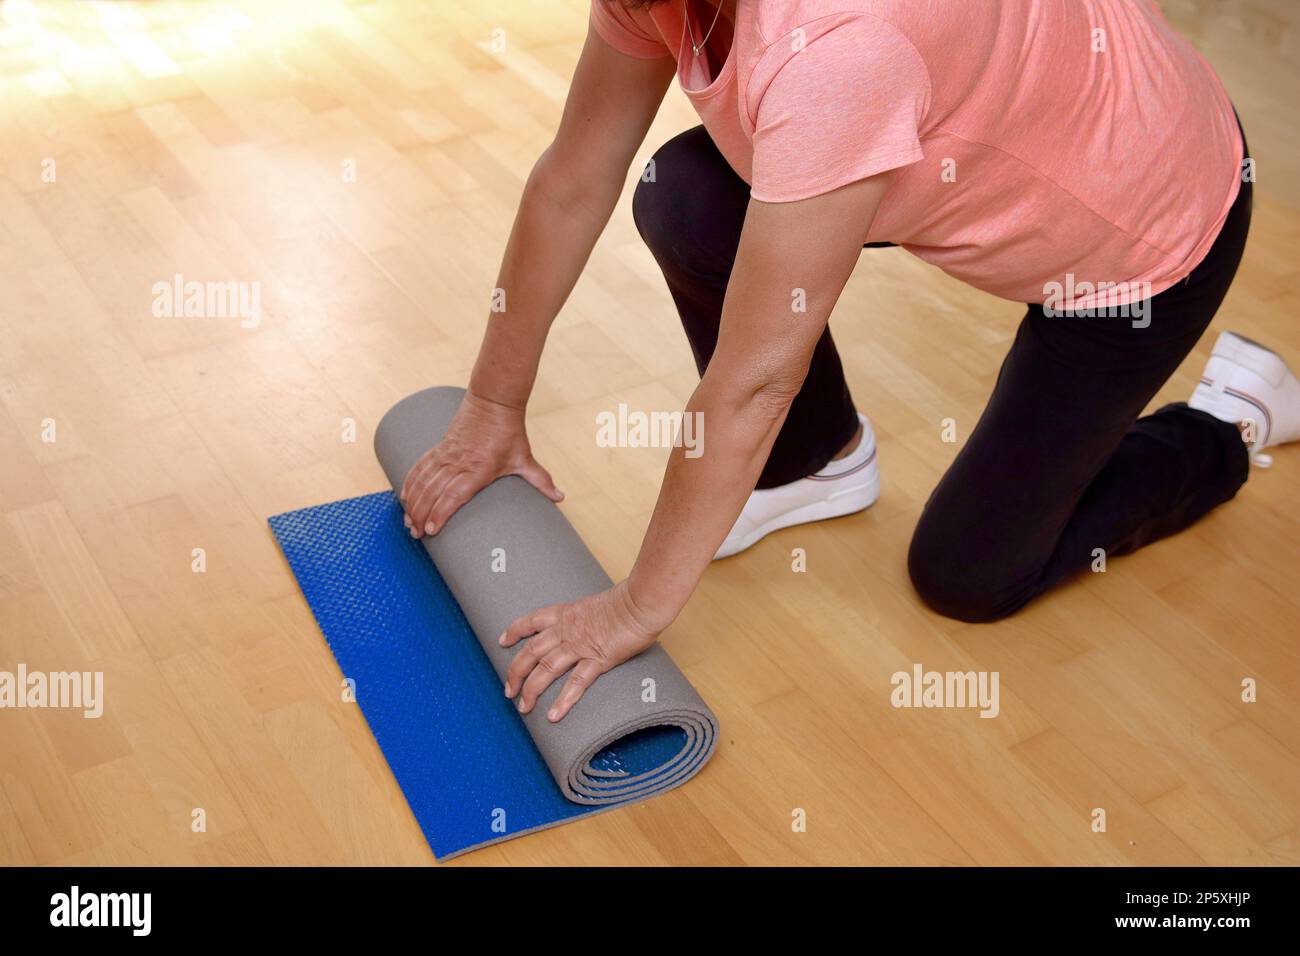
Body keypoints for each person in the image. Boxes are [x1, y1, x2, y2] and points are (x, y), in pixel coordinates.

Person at [398, 0, 1300, 721]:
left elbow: (753, 380)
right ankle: (818, 460)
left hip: (1143, 233)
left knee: (968, 575)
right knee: (686, 197)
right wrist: (491, 408)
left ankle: (1229, 422)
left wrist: (635, 607)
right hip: (992, 148)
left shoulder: (837, 46)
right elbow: (572, 179)